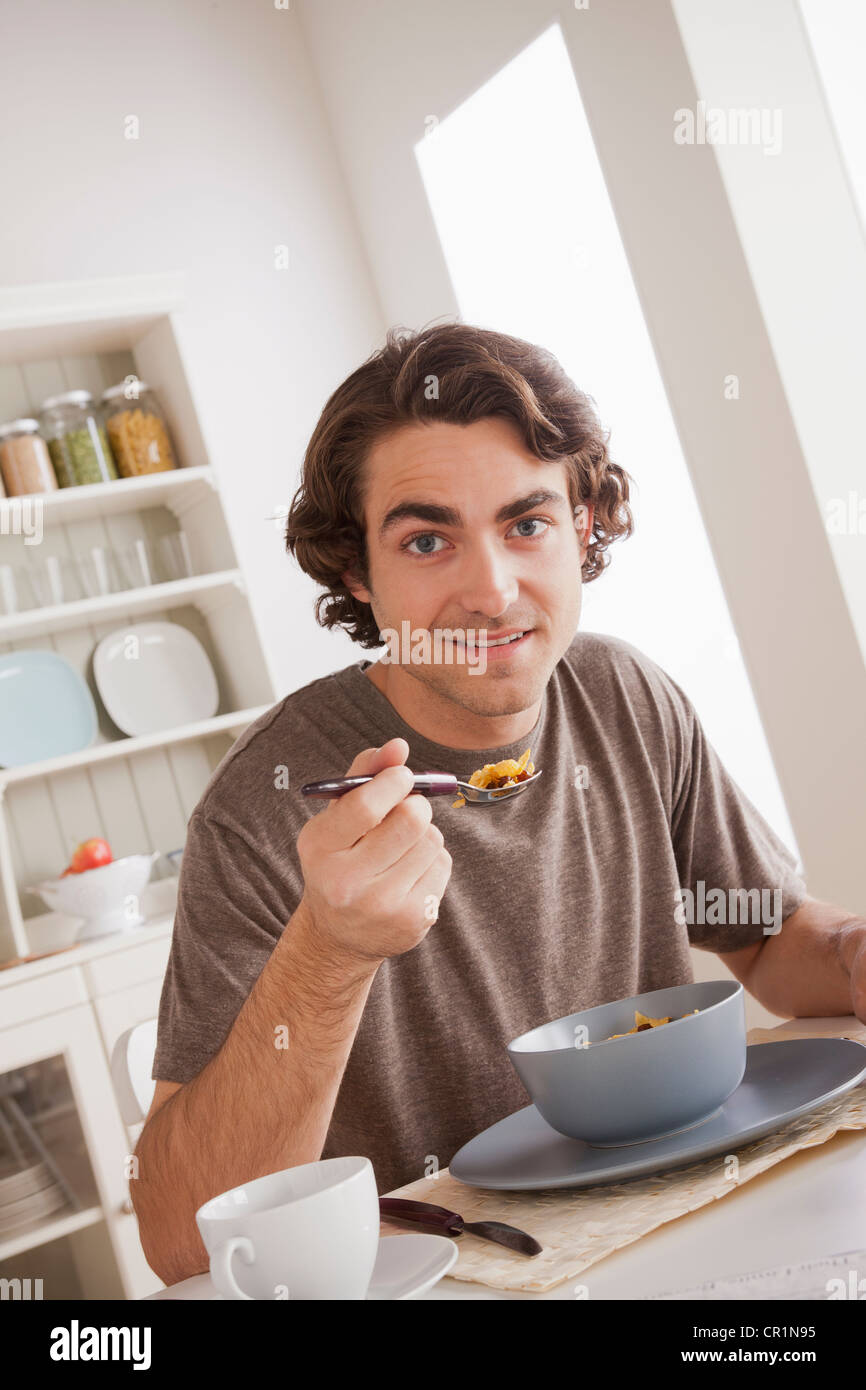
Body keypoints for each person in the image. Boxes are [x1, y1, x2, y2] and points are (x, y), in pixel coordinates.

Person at [132, 322, 866, 1286]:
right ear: (357, 571)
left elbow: (772, 946)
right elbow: (184, 1238)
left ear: (584, 527)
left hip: (684, 1229)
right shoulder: (269, 802)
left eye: (527, 523)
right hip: (462, 1275)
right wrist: (330, 950)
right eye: (428, 539)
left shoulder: (624, 696)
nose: (491, 589)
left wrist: (852, 952)